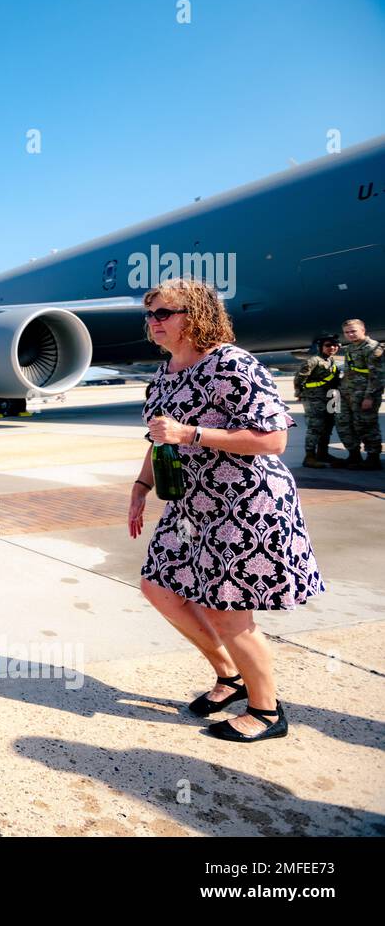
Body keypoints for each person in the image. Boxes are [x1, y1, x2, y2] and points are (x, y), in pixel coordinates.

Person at [130, 278, 323, 743]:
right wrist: (141, 486)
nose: (154, 322)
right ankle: (229, 676)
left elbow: (273, 439)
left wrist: (191, 434)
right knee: (158, 588)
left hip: (244, 504)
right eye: (150, 314)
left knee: (226, 609)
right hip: (190, 506)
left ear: (195, 315)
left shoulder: (231, 364)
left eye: (164, 313)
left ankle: (267, 711)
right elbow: (160, 437)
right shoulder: (165, 372)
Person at [334, 318, 383, 470]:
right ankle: (354, 455)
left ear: (363, 330)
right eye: (347, 332)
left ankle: (373, 458)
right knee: (344, 424)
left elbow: (377, 376)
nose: (350, 334)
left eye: (353, 331)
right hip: (347, 393)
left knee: (366, 426)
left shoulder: (373, 348)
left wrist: (369, 397)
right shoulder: (350, 348)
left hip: (364, 395)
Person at [292, 334, 343, 468]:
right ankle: (309, 457)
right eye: (328, 345)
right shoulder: (313, 360)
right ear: (321, 347)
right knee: (315, 427)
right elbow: (299, 378)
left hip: (330, 398)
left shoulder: (332, 361)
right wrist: (300, 393)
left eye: (335, 345)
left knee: (327, 426)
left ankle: (323, 454)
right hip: (314, 399)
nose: (332, 348)